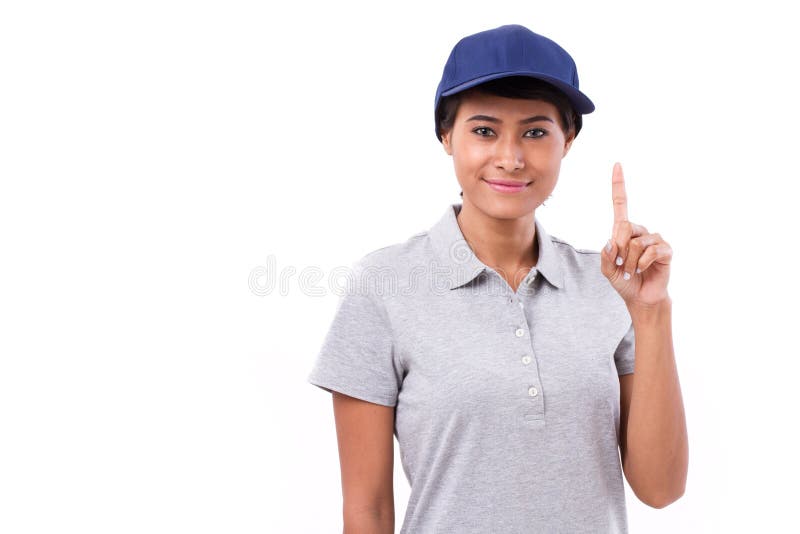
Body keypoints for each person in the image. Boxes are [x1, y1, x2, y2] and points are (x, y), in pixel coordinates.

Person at [307, 24, 688, 533]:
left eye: (535, 132)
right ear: (447, 137)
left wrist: (651, 313)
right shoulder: (384, 286)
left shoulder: (608, 286)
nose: (510, 157)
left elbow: (660, 489)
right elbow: (367, 510)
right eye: (484, 130)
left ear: (568, 140)